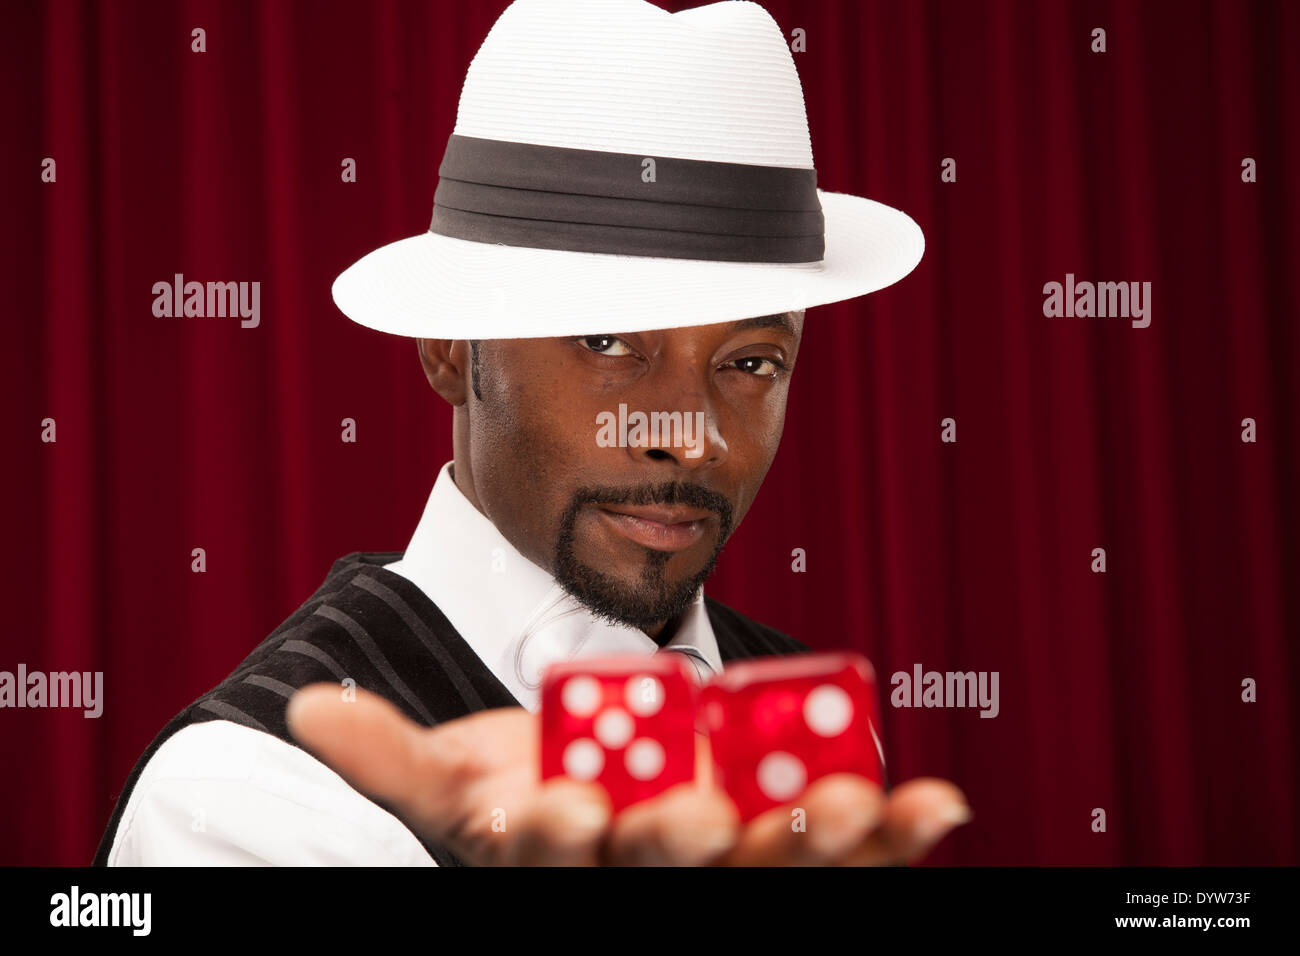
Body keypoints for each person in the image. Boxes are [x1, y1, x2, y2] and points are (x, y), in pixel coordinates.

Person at [95, 0, 970, 866]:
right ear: (448, 347)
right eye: (608, 342)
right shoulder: (251, 795)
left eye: (750, 363)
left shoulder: (803, 724)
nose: (689, 436)